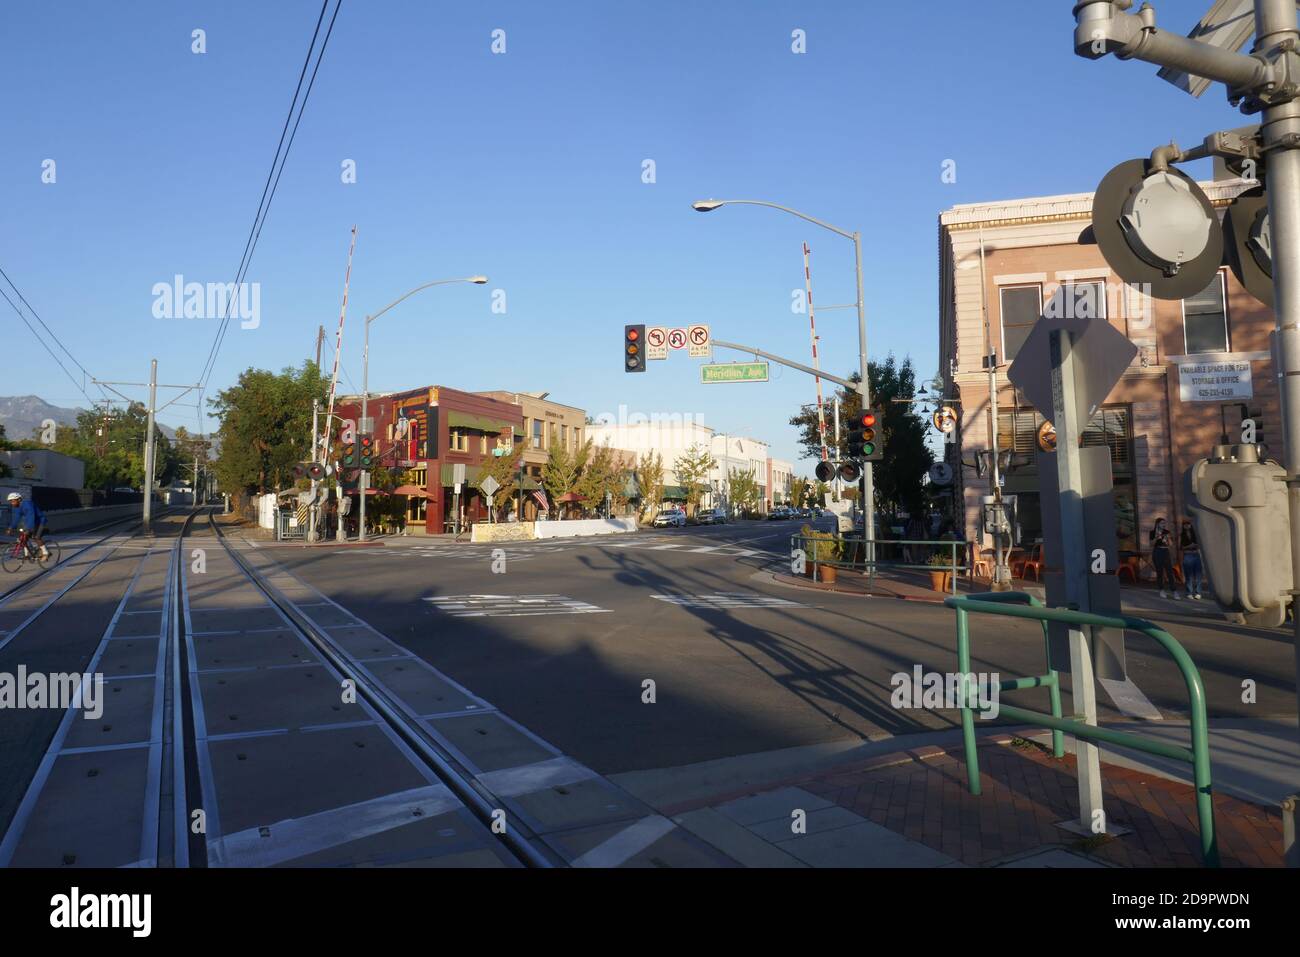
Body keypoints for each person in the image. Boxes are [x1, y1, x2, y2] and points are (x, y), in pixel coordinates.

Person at [5, 491, 49, 560]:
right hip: (29, 522)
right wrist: (10, 528)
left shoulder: (28, 504)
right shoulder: (16, 507)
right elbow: (16, 518)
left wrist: (28, 529)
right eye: (10, 501)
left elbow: (31, 516)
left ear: (19, 499)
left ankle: (46, 553)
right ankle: (26, 555)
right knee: (24, 538)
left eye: (13, 501)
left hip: (39, 521)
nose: (12, 503)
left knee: (36, 537)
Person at [1149, 517, 1177, 599]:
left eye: (1164, 523)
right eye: (1162, 523)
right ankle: (1161, 590)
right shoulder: (1152, 532)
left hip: (1166, 552)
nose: (1164, 525)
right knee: (1159, 572)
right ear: (1157, 524)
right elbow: (1151, 544)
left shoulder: (1167, 532)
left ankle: (1174, 591)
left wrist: (1168, 539)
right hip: (1157, 552)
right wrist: (1157, 537)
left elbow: (1171, 544)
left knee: (1170, 572)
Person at [1180, 519, 1203, 600]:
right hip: (1187, 554)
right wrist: (1189, 546)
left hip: (1196, 554)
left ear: (1190, 525)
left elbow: (1201, 544)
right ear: (1183, 526)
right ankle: (1189, 592)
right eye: (1185, 524)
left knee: (1198, 575)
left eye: (1188, 524)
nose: (1187, 525)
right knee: (1188, 575)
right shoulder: (1182, 535)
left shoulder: (1195, 534)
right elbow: (1181, 547)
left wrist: (1196, 545)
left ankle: (1198, 592)